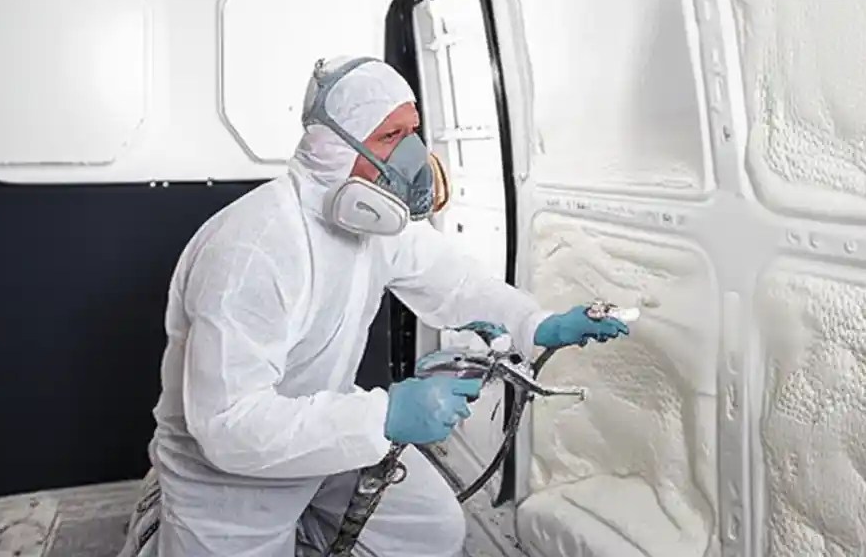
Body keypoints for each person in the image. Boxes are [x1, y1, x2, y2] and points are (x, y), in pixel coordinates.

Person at [118, 56, 630, 557]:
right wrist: (384, 416)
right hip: (229, 480)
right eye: (390, 138)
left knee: (429, 529)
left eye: (413, 131)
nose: (412, 156)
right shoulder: (254, 249)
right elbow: (228, 427)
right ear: (332, 149)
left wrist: (534, 323)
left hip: (322, 438)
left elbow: (457, 283)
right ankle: (161, 521)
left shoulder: (374, 224)